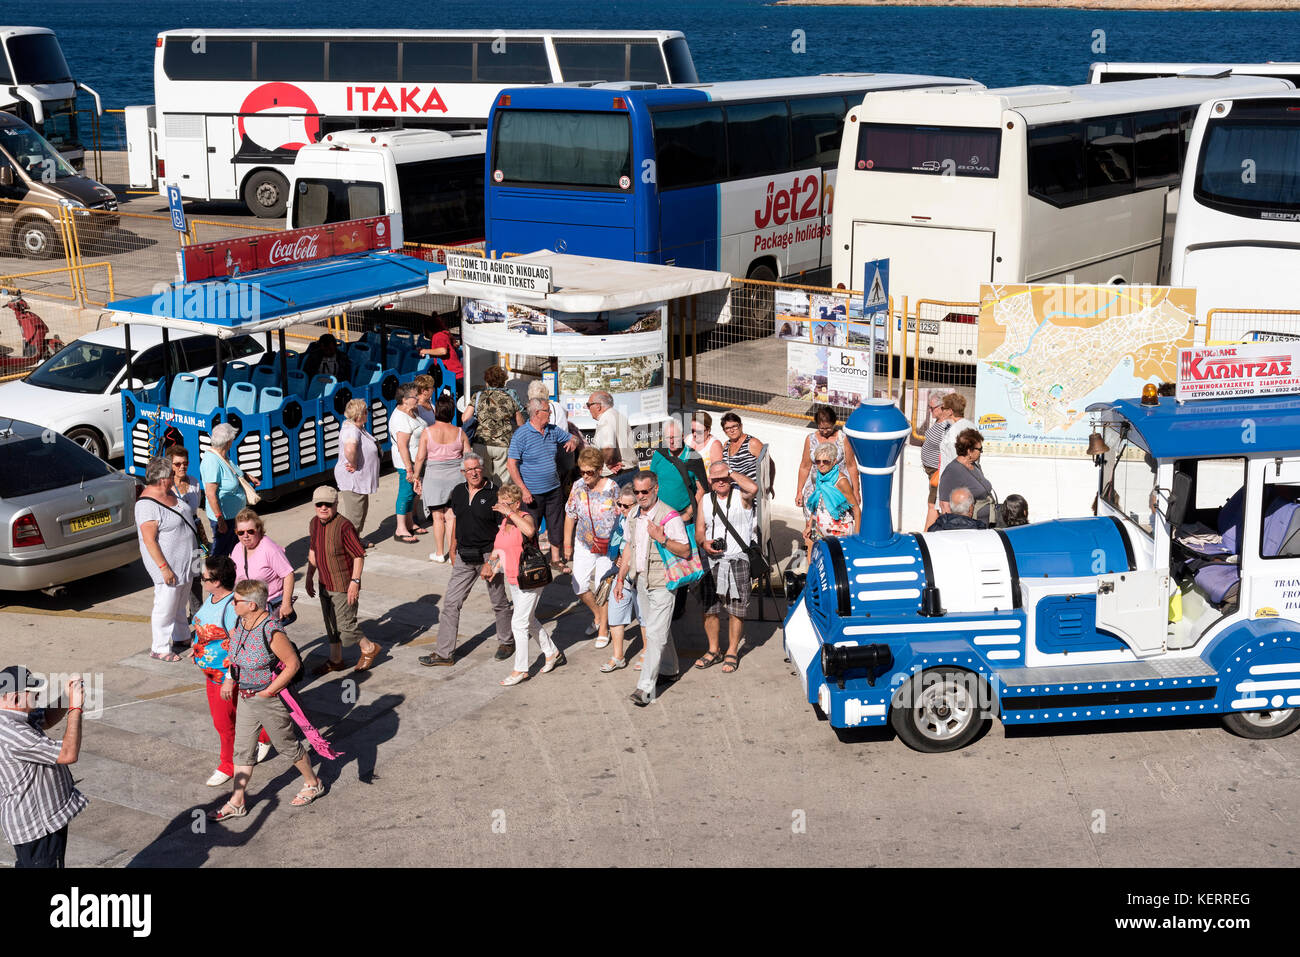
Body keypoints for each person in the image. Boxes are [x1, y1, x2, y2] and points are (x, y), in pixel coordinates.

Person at [210, 580, 325, 821]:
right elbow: (236, 655)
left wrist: (269, 691)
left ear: (252, 605)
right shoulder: (242, 622)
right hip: (246, 697)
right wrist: (231, 679)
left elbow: (293, 665)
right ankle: (237, 801)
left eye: (237, 601)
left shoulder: (270, 630)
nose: (232, 603)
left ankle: (313, 783)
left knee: (286, 745)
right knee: (242, 751)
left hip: (266, 698)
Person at [418, 453, 516, 667]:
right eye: (468, 469)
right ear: (463, 473)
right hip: (464, 554)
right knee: (451, 603)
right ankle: (444, 654)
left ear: (483, 469)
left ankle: (507, 642)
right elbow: (457, 521)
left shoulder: (494, 494)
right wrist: (452, 548)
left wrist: (492, 561)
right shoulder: (458, 492)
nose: (473, 472)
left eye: (477, 468)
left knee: (498, 602)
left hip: (489, 555)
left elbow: (503, 529)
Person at [191, 555, 272, 786]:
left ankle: (228, 765)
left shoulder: (229, 608)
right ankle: (265, 735)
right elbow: (206, 628)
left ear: (216, 581)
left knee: (224, 723)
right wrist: (196, 645)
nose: (201, 580)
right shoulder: (212, 597)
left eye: (204, 577)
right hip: (212, 673)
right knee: (242, 713)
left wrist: (229, 679)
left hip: (224, 677)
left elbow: (238, 647)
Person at [615, 471, 691, 706]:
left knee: (655, 633)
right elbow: (629, 546)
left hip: (663, 582)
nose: (640, 496)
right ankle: (670, 669)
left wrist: (662, 539)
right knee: (659, 628)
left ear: (655, 489)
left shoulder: (669, 516)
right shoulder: (634, 514)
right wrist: (620, 579)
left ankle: (645, 687)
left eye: (644, 492)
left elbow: (686, 551)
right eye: (636, 492)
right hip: (640, 581)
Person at [0, 667, 87, 867]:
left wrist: (66, 696)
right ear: (14, 698)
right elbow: (68, 753)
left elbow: (46, 718)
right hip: (37, 829)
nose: (37, 694)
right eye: (32, 692)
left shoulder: (10, 715)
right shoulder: (12, 733)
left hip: (43, 822)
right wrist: (75, 708)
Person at [488, 483, 565, 686]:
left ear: (517, 503)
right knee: (529, 620)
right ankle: (552, 653)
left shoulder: (524, 517)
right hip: (514, 579)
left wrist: (510, 514)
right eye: (500, 503)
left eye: (507, 503)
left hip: (531, 578)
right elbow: (498, 547)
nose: (502, 507)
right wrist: (490, 565)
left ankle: (521, 669)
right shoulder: (505, 523)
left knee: (518, 623)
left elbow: (530, 532)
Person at [304, 486, 383, 675]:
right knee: (331, 625)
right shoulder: (314, 523)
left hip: (342, 585)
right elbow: (313, 552)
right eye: (319, 504)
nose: (323, 508)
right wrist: (309, 576)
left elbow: (358, 555)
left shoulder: (344, 526)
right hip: (324, 582)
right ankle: (336, 660)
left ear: (336, 504)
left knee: (346, 625)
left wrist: (355, 582)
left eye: (328, 504)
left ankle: (369, 648)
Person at [696, 461, 759, 675]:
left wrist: (730, 472)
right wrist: (704, 543)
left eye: (724, 478)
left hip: (737, 560)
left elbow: (754, 488)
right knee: (709, 609)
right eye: (716, 478)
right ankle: (714, 649)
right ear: (711, 481)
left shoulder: (741, 495)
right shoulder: (705, 500)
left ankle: (732, 650)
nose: (721, 481)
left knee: (736, 609)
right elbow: (699, 531)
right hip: (712, 562)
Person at [136, 455, 200, 662]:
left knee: (180, 601)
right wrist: (164, 568)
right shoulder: (147, 505)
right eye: (172, 474)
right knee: (166, 604)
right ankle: (160, 647)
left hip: (185, 560)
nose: (175, 476)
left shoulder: (170, 492)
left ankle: (181, 636)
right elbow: (149, 540)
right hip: (168, 564)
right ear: (163, 478)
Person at [507, 397, 579, 569]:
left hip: (553, 489)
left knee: (556, 524)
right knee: (531, 528)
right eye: (548, 411)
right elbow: (511, 464)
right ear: (537, 413)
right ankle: (532, 560)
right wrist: (523, 490)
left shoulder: (552, 430)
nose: (551, 414)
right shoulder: (521, 435)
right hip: (531, 492)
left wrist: (573, 441)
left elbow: (573, 438)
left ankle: (555, 560)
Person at [564, 447, 620, 648]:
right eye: (582, 471)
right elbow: (570, 514)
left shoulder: (612, 487)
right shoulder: (578, 486)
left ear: (599, 470)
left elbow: (621, 517)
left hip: (607, 546)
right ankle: (597, 615)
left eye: (590, 472)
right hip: (584, 542)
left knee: (601, 587)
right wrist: (566, 545)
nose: (585, 476)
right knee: (578, 584)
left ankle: (604, 629)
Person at [412, 393, 472, 564]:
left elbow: (420, 457)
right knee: (452, 516)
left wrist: (416, 477)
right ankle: (454, 551)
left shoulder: (427, 432)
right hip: (456, 479)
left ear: (437, 411)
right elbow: (468, 455)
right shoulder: (459, 432)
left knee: (437, 517)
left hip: (434, 478)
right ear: (452, 412)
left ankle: (439, 552)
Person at [598, 485, 640, 673]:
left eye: (626, 506)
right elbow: (613, 544)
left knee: (643, 617)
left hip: (639, 572)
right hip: (619, 571)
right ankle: (618, 656)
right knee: (615, 612)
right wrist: (617, 558)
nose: (621, 509)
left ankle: (646, 651)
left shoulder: (643, 521)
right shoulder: (620, 519)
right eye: (619, 504)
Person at [230, 508, 297, 626]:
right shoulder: (237, 549)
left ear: (259, 530)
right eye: (241, 532)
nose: (245, 536)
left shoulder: (269, 548)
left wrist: (286, 604)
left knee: (270, 641)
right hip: (248, 608)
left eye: (250, 531)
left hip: (269, 607)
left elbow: (288, 574)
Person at [202, 422, 256, 557]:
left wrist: (248, 477)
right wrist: (220, 520)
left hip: (233, 516)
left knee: (234, 550)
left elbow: (232, 474)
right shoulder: (212, 461)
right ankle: (216, 576)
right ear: (228, 441)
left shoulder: (224, 456)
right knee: (220, 553)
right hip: (224, 519)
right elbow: (210, 494)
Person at [465, 364, 525, 484]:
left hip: (481, 443)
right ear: (503, 381)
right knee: (502, 483)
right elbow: (520, 423)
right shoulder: (511, 396)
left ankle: (484, 501)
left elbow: (465, 418)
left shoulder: (478, 396)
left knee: (483, 480)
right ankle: (500, 502)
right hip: (503, 444)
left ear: (486, 380)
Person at [167, 443, 208, 612]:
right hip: (177, 536)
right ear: (170, 466)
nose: (182, 467)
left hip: (195, 533)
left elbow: (196, 508)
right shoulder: (167, 487)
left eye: (185, 463)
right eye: (178, 464)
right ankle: (177, 615)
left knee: (197, 575)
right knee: (180, 578)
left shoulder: (194, 482)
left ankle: (197, 611)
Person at [335, 397, 380, 544]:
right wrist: (353, 463)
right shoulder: (351, 430)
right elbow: (349, 448)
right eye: (366, 411)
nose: (368, 414)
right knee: (355, 514)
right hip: (353, 479)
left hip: (361, 479)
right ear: (359, 414)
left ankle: (356, 539)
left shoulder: (358, 428)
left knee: (361, 510)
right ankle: (350, 545)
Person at [796, 405, 859, 508]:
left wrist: (855, 491)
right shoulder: (811, 439)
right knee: (812, 522)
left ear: (834, 423)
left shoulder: (843, 439)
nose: (825, 432)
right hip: (815, 490)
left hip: (838, 491)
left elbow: (851, 466)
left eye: (828, 428)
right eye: (821, 428)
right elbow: (805, 466)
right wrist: (799, 491)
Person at [389, 382, 428, 543]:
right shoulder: (400, 418)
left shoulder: (412, 411)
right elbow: (402, 446)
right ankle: (400, 528)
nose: (418, 398)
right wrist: (409, 469)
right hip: (408, 462)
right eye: (414, 396)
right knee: (405, 493)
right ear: (404, 400)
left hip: (418, 460)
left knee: (413, 493)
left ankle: (410, 522)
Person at [938, 429, 997, 525]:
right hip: (970, 527)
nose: (981, 452)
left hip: (984, 524)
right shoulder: (952, 471)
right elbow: (945, 506)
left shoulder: (974, 466)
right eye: (980, 449)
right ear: (969, 451)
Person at [803, 442, 859, 543]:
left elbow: (856, 510)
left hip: (840, 533)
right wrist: (809, 526)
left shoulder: (841, 481)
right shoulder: (819, 477)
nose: (821, 464)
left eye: (826, 461)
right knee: (813, 553)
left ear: (834, 462)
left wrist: (857, 538)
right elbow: (817, 505)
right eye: (818, 461)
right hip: (821, 531)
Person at [588, 391, 638, 486]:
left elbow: (607, 447)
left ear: (598, 406)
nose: (587, 408)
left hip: (616, 476)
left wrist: (609, 463)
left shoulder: (606, 419)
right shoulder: (619, 415)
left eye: (588, 405)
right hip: (631, 472)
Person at [920, 391, 954, 530]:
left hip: (938, 471)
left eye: (932, 408)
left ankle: (926, 535)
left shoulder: (946, 425)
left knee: (933, 504)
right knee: (937, 503)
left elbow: (931, 437)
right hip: (934, 471)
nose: (929, 410)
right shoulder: (941, 422)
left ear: (942, 407)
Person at [720, 411, 775, 492]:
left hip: (751, 494)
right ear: (724, 431)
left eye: (734, 426)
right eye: (728, 428)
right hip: (733, 495)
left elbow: (770, 464)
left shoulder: (752, 443)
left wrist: (769, 485)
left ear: (741, 426)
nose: (731, 430)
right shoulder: (726, 445)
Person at [419, 313, 464, 397]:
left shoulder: (438, 336)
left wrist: (425, 351)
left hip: (453, 375)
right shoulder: (443, 335)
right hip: (454, 375)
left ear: (428, 329)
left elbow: (443, 351)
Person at [937, 392, 976, 474]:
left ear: (950, 411)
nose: (942, 411)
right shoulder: (971, 426)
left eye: (943, 408)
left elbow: (957, 460)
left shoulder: (954, 431)